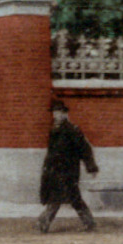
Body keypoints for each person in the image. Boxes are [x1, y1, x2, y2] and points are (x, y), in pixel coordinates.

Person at [37, 98, 99, 233]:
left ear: (65, 114)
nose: (56, 115)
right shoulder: (54, 130)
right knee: (61, 197)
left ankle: (45, 221)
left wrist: (91, 167)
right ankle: (88, 222)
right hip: (55, 170)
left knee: (70, 197)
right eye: (54, 112)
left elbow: (84, 148)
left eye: (59, 112)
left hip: (68, 171)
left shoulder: (72, 130)